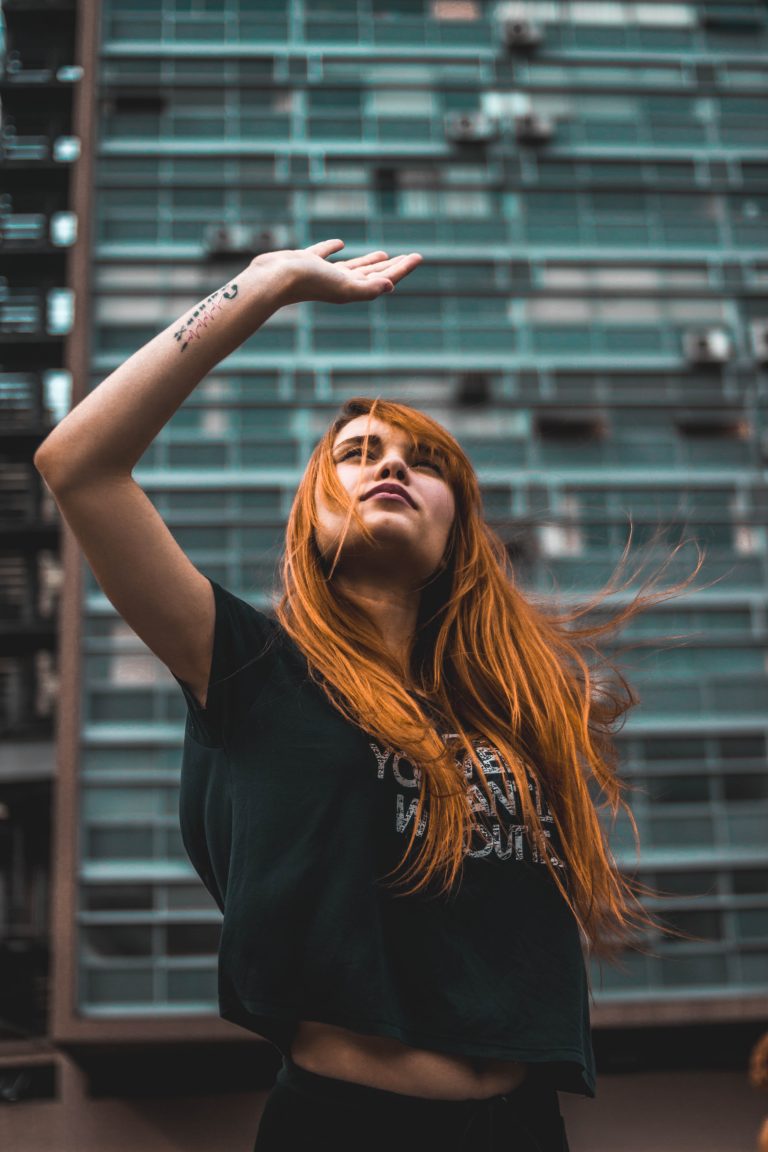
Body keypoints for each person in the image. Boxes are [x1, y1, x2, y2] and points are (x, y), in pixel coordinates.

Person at [34, 239, 703, 1152]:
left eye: (423, 462)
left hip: (523, 1125)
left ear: (456, 522)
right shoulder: (250, 666)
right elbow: (79, 465)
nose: (391, 465)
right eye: (358, 452)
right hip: (349, 1126)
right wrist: (265, 286)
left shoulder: (501, 706)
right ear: (313, 509)